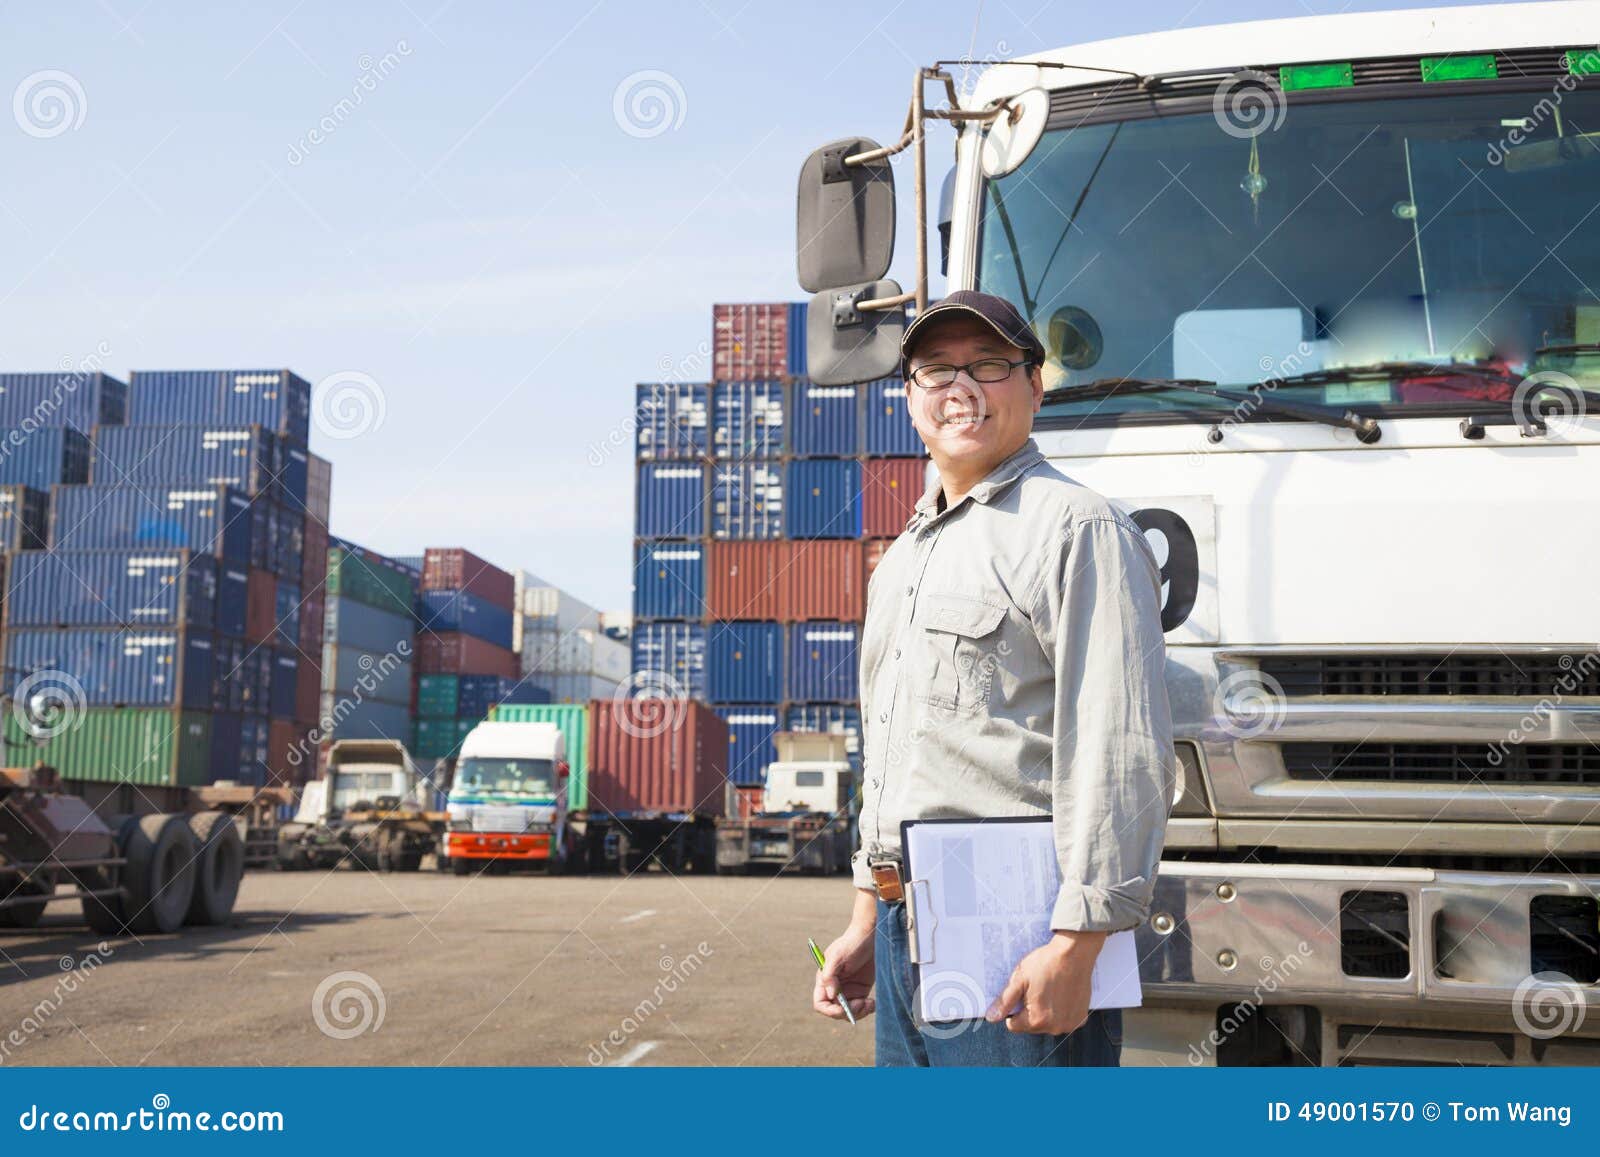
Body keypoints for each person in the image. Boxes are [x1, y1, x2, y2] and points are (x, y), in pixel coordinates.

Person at [810, 290, 1175, 1066]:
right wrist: (866, 918)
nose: (960, 389)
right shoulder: (903, 558)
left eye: (989, 366)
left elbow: (1118, 749)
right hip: (905, 926)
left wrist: (1077, 946)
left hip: (1020, 931)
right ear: (909, 396)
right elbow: (894, 756)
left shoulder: (1079, 530)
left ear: (1036, 385)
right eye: (936, 370)